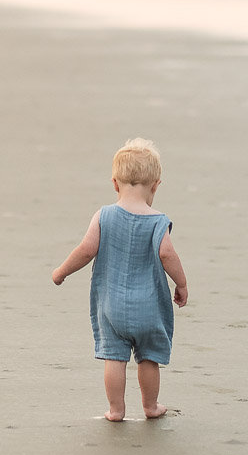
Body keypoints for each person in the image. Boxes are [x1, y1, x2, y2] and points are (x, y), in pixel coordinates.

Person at [52, 137, 189, 421]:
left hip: (111, 307)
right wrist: (182, 283)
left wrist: (61, 271)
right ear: (155, 185)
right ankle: (150, 406)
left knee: (114, 357)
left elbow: (86, 250)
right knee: (149, 358)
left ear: (115, 183)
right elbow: (167, 254)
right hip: (149, 308)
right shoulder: (158, 220)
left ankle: (116, 410)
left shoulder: (103, 216)